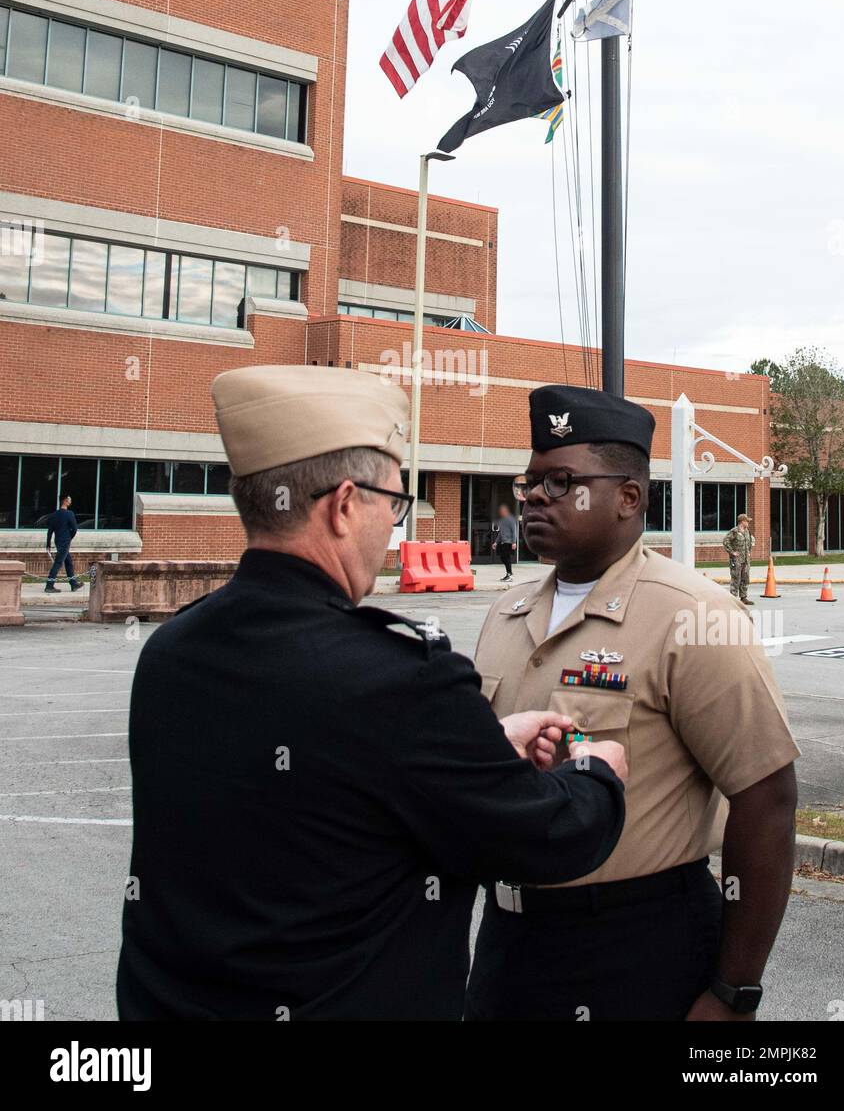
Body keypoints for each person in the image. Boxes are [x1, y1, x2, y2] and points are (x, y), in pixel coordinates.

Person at [117, 365, 627, 1021]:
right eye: (393, 505)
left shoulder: (171, 651)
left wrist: (481, 746)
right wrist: (595, 775)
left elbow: (326, 785)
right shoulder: (400, 676)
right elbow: (544, 836)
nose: (392, 529)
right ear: (344, 505)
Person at [465, 384, 800, 1023]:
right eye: (530, 480)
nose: (535, 495)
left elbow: (767, 799)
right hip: (509, 948)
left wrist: (735, 993)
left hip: (637, 952)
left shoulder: (694, 616)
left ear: (628, 497)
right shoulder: (505, 614)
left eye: (561, 481)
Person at [44, 494, 81, 593]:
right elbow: (75, 529)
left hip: (58, 541)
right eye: (69, 499)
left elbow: (50, 531)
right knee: (58, 563)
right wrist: (70, 537)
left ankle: (73, 584)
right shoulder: (69, 514)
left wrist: (48, 543)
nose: (70, 500)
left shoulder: (54, 515)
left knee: (68, 562)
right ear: (64, 501)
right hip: (65, 541)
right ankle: (49, 585)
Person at [723, 513, 755, 605]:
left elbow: (749, 543)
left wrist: (749, 552)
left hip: (745, 560)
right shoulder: (734, 531)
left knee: (745, 578)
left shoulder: (747, 531)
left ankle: (743, 597)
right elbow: (726, 541)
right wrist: (732, 552)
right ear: (742, 521)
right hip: (736, 560)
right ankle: (733, 598)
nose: (748, 523)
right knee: (736, 578)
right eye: (747, 521)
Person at [492, 501, 518, 584]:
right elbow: (500, 533)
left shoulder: (511, 519)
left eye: (502, 511)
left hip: (509, 542)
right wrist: (496, 542)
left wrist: (514, 542)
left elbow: (514, 531)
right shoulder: (502, 520)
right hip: (502, 542)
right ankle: (508, 573)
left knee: (507, 558)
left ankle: (509, 575)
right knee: (503, 558)